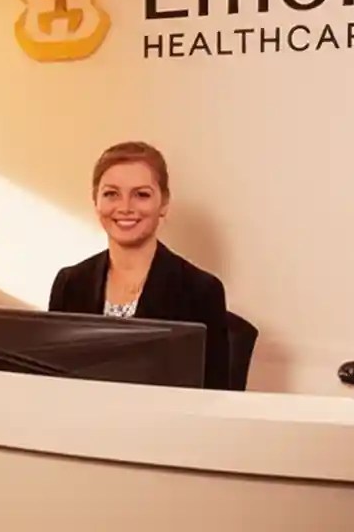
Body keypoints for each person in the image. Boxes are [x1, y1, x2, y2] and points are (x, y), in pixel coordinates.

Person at [48, 141, 231, 390]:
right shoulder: (69, 283)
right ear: (95, 201)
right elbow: (52, 384)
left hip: (166, 426)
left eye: (141, 195)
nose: (125, 208)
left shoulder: (201, 290)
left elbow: (215, 396)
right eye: (111, 194)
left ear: (163, 203)